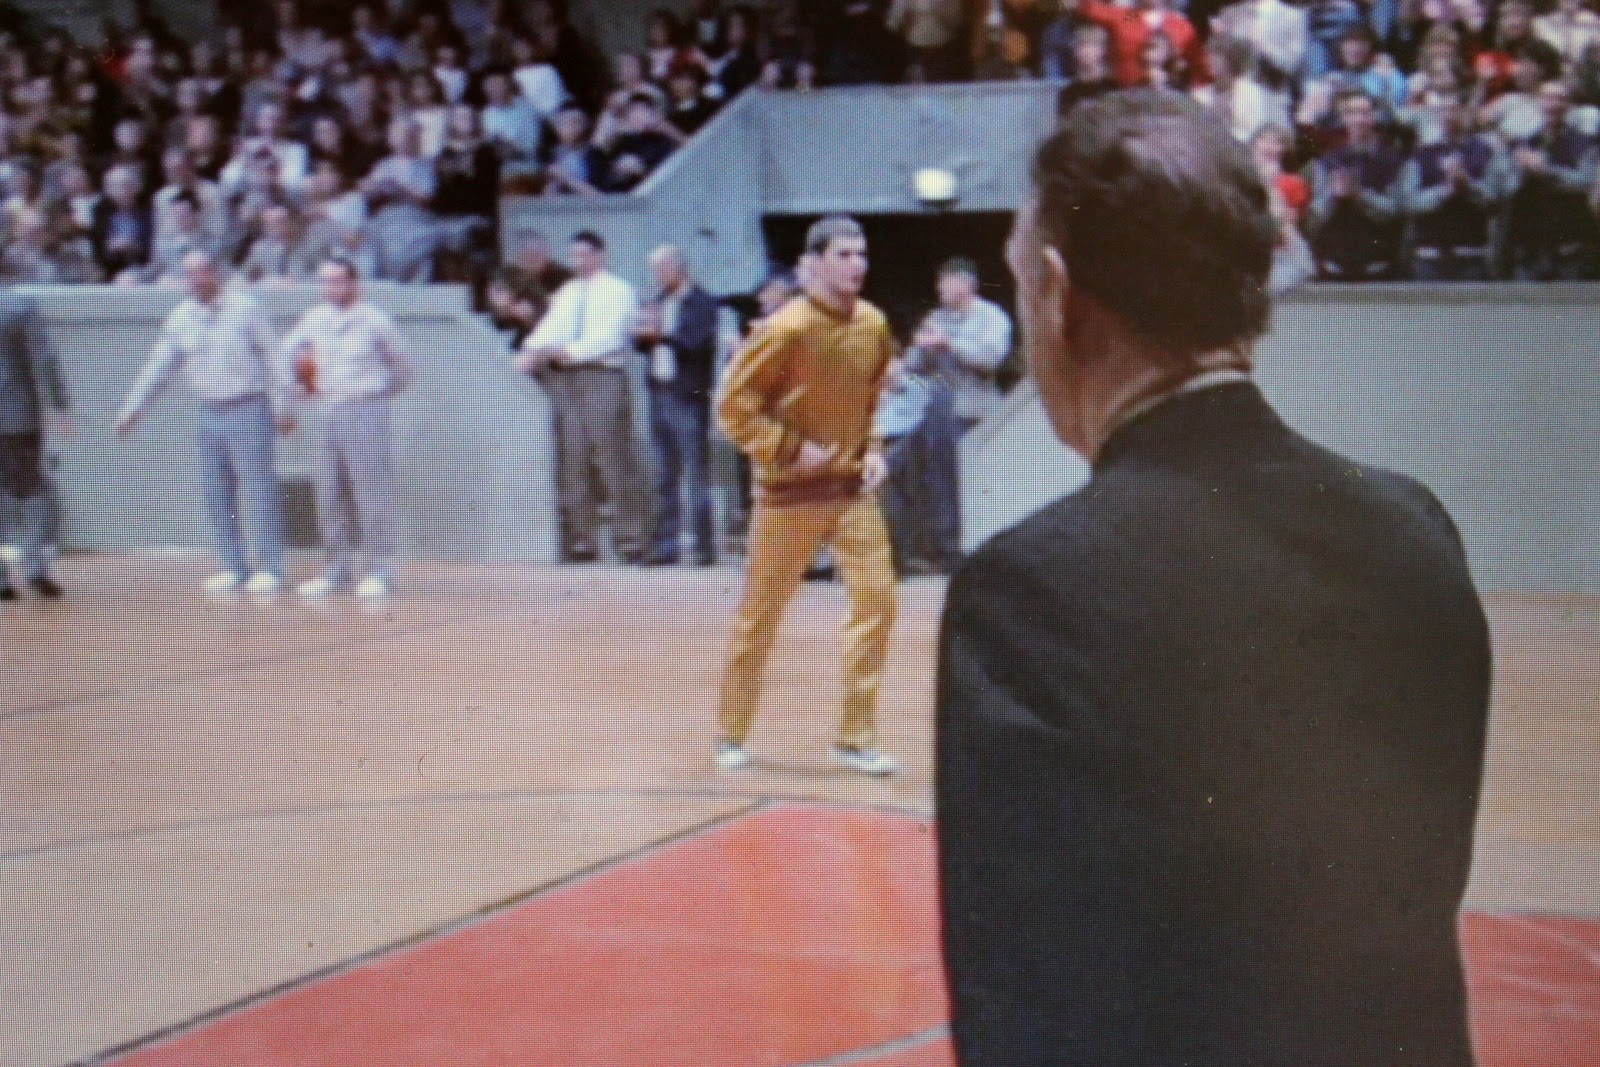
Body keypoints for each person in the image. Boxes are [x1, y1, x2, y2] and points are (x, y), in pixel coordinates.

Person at [938, 90, 1490, 1066]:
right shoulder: (1415, 528)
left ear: (1058, 295)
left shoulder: (1030, 592)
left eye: (1019, 288)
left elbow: (1031, 1004)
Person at [713, 215, 899, 776]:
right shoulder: (784, 328)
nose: (857, 264)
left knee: (878, 600)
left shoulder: (873, 324)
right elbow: (733, 408)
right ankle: (733, 731)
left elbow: (873, 403)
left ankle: (855, 736)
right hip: (788, 495)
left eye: (862, 254)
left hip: (849, 494)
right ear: (814, 262)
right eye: (844, 254)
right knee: (763, 613)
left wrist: (873, 452)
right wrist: (788, 448)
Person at [114, 250, 290, 597]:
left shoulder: (245, 309)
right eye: (190, 274)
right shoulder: (181, 317)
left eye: (203, 272)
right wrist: (132, 408)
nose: (197, 280)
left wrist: (284, 406)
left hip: (248, 406)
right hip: (208, 411)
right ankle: (233, 566)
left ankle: (271, 567)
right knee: (217, 493)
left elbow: (276, 358)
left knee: (259, 491)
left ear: (217, 273)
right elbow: (158, 367)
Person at [282, 257, 414, 605]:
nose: (333, 288)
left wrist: (375, 393)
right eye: (327, 281)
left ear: (355, 283)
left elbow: (402, 367)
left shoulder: (374, 319)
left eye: (340, 280)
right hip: (327, 408)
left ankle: (380, 569)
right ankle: (336, 568)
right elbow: (290, 354)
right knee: (329, 492)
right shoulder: (313, 319)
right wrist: (300, 384)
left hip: (365, 407)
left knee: (371, 493)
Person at [514, 230, 649, 563]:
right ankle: (582, 539)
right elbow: (550, 328)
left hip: (602, 375)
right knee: (573, 459)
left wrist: (565, 351)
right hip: (568, 381)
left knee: (610, 457)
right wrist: (531, 351)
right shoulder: (568, 292)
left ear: (600, 255)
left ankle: (628, 536)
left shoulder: (618, 290)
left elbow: (609, 337)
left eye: (584, 255)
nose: (578, 262)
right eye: (573, 256)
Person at [634, 244, 720, 567]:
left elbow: (694, 343)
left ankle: (703, 548)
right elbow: (641, 344)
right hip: (659, 392)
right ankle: (666, 547)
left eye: (663, 268)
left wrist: (661, 336)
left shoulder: (701, 303)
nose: (659, 275)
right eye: (656, 270)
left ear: (678, 267)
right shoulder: (657, 301)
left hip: (688, 395)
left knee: (696, 473)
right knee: (663, 473)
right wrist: (643, 335)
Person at [0, 285, 70, 601]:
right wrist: (59, 402)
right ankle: (35, 567)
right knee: (33, 489)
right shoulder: (19, 306)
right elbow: (43, 357)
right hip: (17, 413)